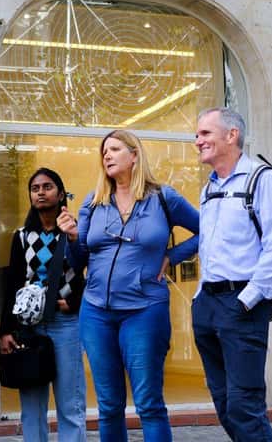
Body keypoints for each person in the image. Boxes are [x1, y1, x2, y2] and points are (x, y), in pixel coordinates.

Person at [57, 129, 199, 442]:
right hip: (96, 313)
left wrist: (172, 256)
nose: (106, 155)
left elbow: (206, 230)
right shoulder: (93, 202)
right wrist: (72, 237)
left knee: (149, 404)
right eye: (104, 151)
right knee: (108, 407)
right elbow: (79, 259)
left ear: (134, 155)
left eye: (115, 149)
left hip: (144, 310)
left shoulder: (164, 198)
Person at [191, 107, 272, 442]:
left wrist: (247, 301)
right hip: (208, 305)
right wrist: (199, 299)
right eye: (197, 135)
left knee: (244, 404)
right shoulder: (208, 189)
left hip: (243, 303)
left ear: (231, 135)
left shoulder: (262, 179)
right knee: (224, 403)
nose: (198, 141)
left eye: (205, 133)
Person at [0, 168, 87, 442]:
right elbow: (13, 283)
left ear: (61, 194)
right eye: (35, 188)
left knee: (70, 404)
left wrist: (73, 302)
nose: (40, 192)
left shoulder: (75, 233)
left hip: (66, 325)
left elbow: (93, 272)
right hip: (29, 328)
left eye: (47, 187)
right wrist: (6, 330)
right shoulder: (22, 236)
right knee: (31, 408)